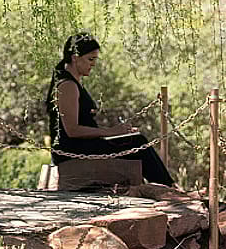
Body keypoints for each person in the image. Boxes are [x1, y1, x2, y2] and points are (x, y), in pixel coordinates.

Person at [45, 32, 175, 186]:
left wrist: (116, 133)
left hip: (81, 146)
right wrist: (111, 132)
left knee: (134, 139)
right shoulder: (67, 85)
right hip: (72, 151)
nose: (93, 64)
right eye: (90, 59)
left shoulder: (73, 82)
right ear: (75, 57)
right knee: (137, 141)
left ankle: (162, 186)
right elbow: (72, 130)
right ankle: (169, 188)